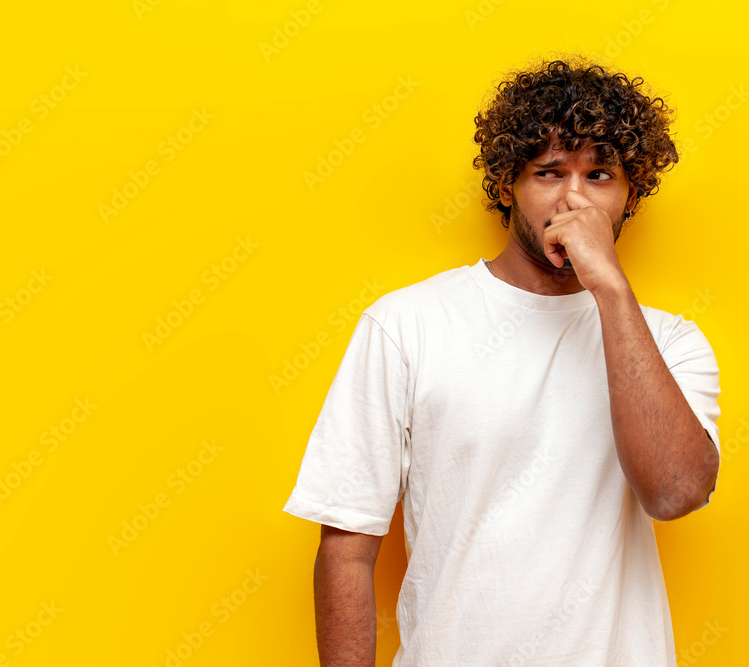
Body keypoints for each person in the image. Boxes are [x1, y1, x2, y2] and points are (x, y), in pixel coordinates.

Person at [282, 56, 722, 666]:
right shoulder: (407, 324)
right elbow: (347, 546)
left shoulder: (670, 343)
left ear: (630, 193)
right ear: (507, 183)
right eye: (549, 172)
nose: (574, 199)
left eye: (600, 175)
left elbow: (675, 492)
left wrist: (613, 292)